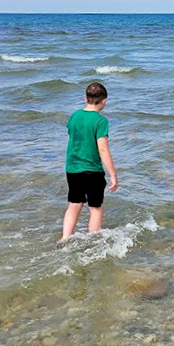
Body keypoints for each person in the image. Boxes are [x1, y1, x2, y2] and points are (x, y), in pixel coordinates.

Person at [61, 81, 118, 240]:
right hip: (92, 170)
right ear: (104, 101)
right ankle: (93, 239)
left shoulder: (75, 116)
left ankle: (65, 237)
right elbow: (103, 149)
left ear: (85, 99)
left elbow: (73, 136)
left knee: (75, 204)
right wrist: (113, 174)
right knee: (95, 208)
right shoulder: (101, 121)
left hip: (72, 168)